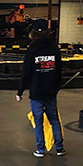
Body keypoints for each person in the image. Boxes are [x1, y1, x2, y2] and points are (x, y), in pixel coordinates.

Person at [16, 18, 66, 157]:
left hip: (36, 92)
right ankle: (59, 148)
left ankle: (40, 149)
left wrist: (20, 91)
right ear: (47, 31)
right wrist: (56, 87)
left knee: (38, 122)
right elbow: (58, 70)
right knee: (54, 120)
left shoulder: (32, 49)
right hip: (50, 92)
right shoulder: (54, 47)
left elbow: (26, 72)